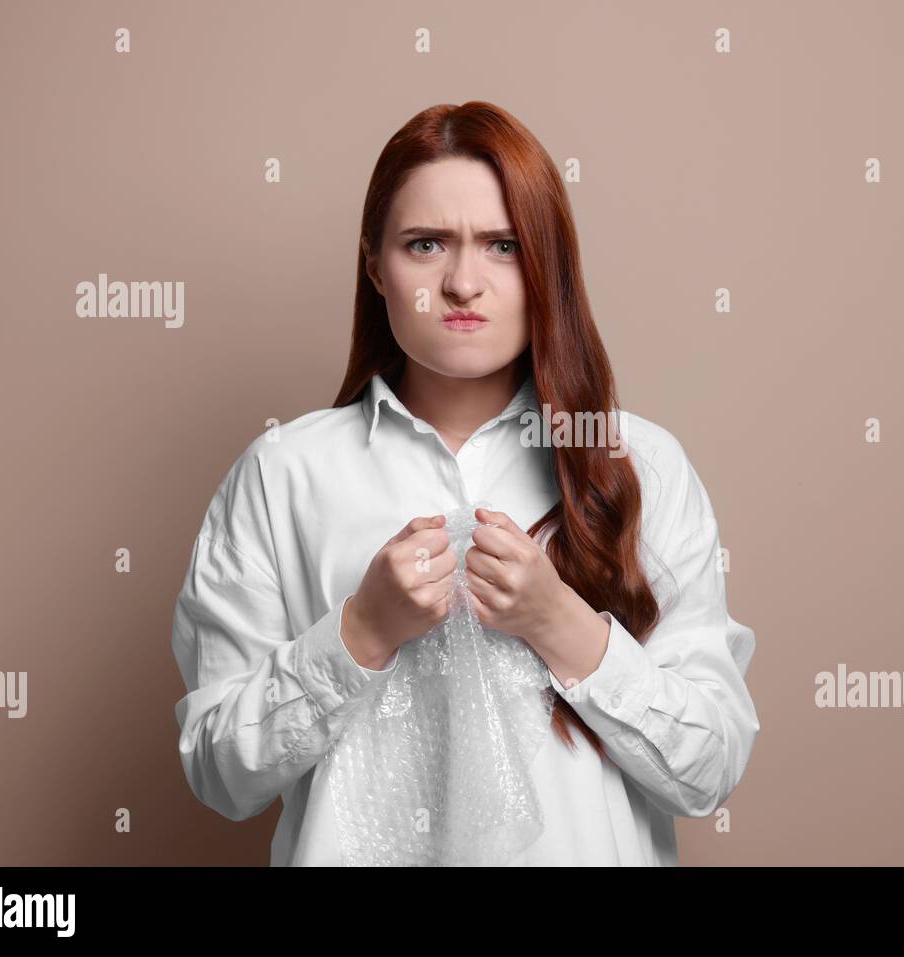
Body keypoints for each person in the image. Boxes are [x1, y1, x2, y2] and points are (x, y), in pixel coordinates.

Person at [169, 101, 759, 865]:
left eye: (503, 245)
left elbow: (709, 769)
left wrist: (561, 624)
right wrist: (359, 634)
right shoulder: (281, 475)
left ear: (547, 263)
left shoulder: (639, 465)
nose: (462, 282)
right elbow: (220, 772)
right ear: (376, 264)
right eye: (425, 244)